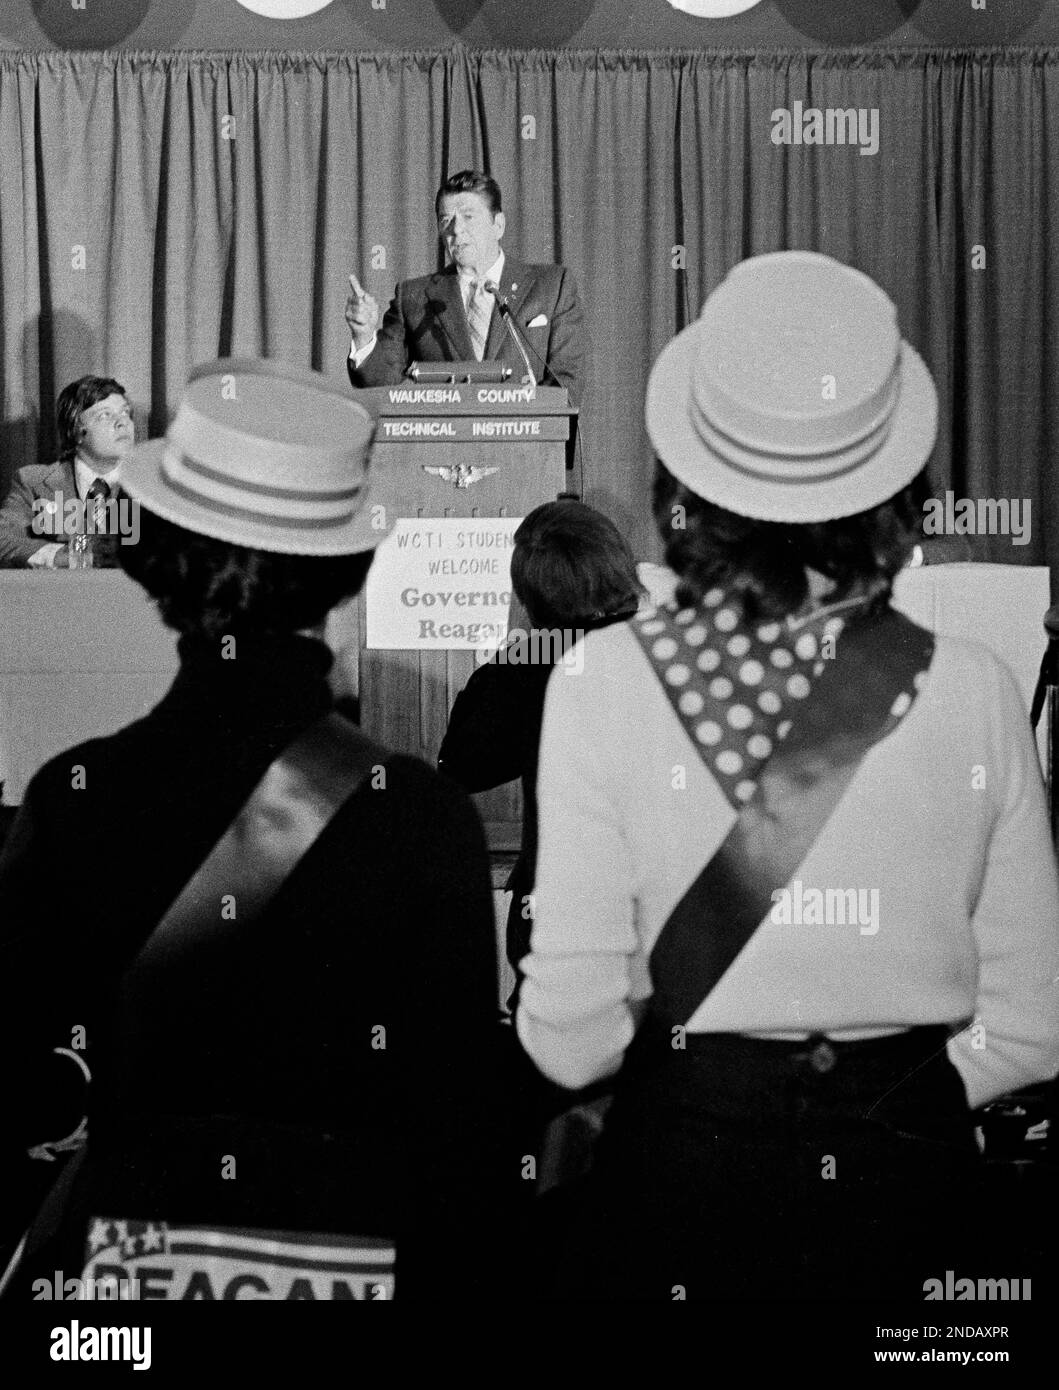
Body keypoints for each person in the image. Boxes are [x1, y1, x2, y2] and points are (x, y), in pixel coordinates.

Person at [516, 251, 1059, 1300]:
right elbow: (1033, 1024)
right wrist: (891, 1102)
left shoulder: (599, 681)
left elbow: (570, 1040)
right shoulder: (978, 689)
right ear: (900, 489)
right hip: (915, 1199)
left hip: (684, 1193)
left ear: (688, 485)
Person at [0, 359, 506, 1301]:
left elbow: (26, 1088)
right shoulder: (422, 819)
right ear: (346, 575)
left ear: (157, 568)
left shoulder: (72, 799)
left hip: (125, 1287)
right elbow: (457, 1128)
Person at [439, 500, 643, 1008]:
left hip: (557, 913)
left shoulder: (532, 669)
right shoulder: (667, 642)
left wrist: (517, 646)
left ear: (528, 595)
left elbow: (460, 765)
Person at [345, 170, 585, 404]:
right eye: (445, 220)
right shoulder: (413, 297)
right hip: (445, 443)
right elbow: (381, 387)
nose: (456, 230)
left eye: (468, 217)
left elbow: (566, 383)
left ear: (498, 225)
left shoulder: (552, 287)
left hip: (527, 440)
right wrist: (364, 335)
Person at [0, 375, 134, 568]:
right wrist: (67, 555)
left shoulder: (152, 486)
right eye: (105, 415)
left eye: (125, 412)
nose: (122, 422)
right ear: (76, 430)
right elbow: (3, 539)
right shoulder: (32, 483)